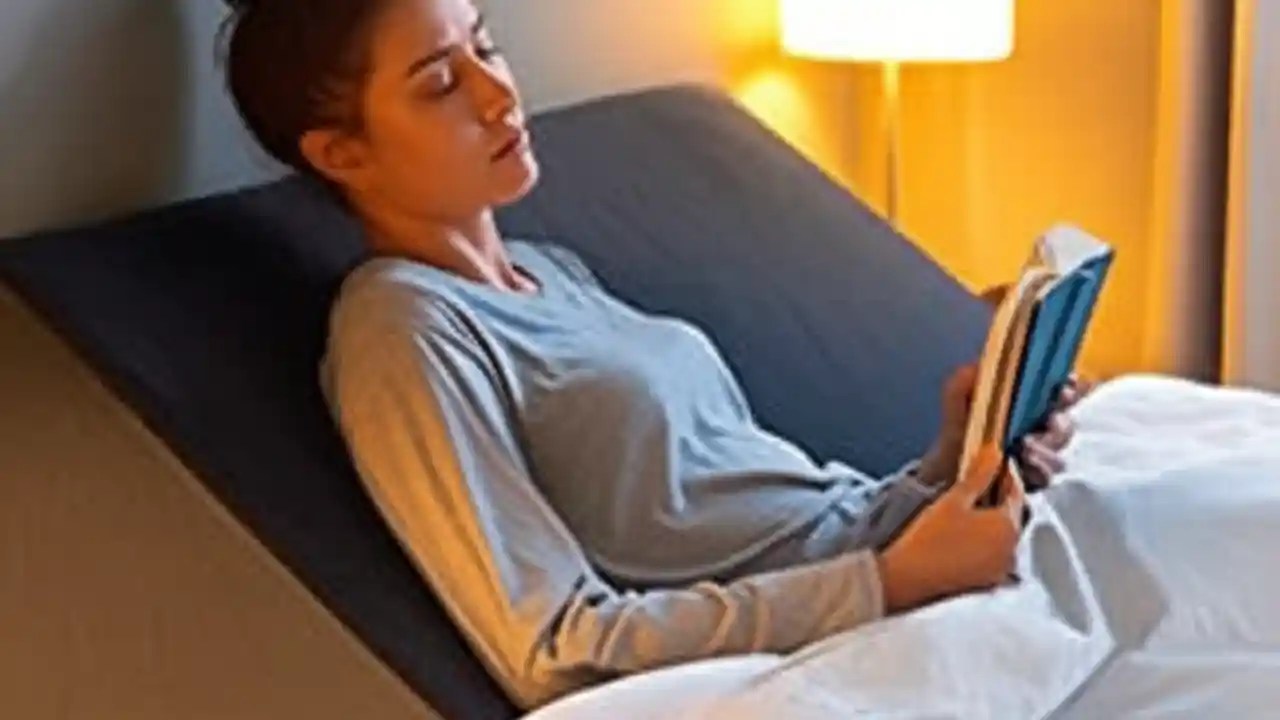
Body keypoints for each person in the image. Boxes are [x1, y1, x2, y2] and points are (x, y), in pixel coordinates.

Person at [220, 0, 1085, 708]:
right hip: (853, 623)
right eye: (441, 83)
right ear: (341, 153)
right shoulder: (404, 332)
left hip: (880, 560)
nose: (497, 95)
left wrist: (948, 466)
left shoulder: (550, 273)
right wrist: (891, 584)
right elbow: (553, 645)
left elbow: (760, 521)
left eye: (487, 46)